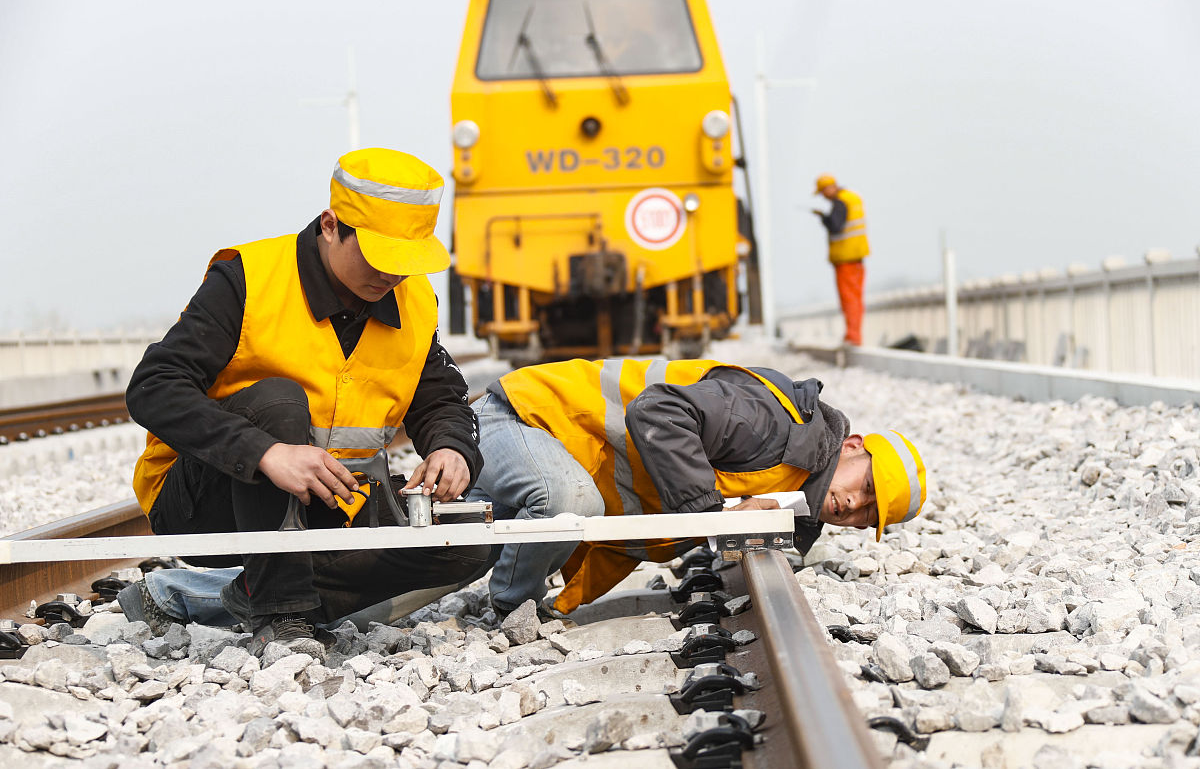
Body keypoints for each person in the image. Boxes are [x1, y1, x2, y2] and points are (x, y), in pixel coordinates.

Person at [121, 149, 488, 659]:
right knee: (278, 400)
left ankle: (240, 598)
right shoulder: (249, 279)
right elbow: (153, 386)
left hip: (332, 506)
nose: (392, 277)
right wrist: (265, 453)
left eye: (406, 263)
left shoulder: (414, 301)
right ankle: (282, 617)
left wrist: (452, 449)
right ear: (331, 226)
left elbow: (440, 398)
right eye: (380, 258)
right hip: (207, 503)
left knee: (469, 544)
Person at [465, 357, 927, 618]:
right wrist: (713, 515)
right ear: (851, 445)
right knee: (567, 501)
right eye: (865, 484)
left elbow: (641, 529)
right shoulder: (771, 425)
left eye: (869, 513)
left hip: (552, 456)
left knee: (449, 555)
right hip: (525, 417)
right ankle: (509, 612)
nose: (852, 503)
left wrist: (569, 599)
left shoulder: (787, 492)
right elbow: (656, 410)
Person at [811, 173, 870, 346]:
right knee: (856, 298)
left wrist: (823, 218)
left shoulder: (840, 202)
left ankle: (853, 336)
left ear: (829, 188)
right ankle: (854, 335)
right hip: (857, 256)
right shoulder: (853, 197)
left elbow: (836, 227)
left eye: (823, 192)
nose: (823, 196)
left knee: (849, 298)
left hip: (846, 258)